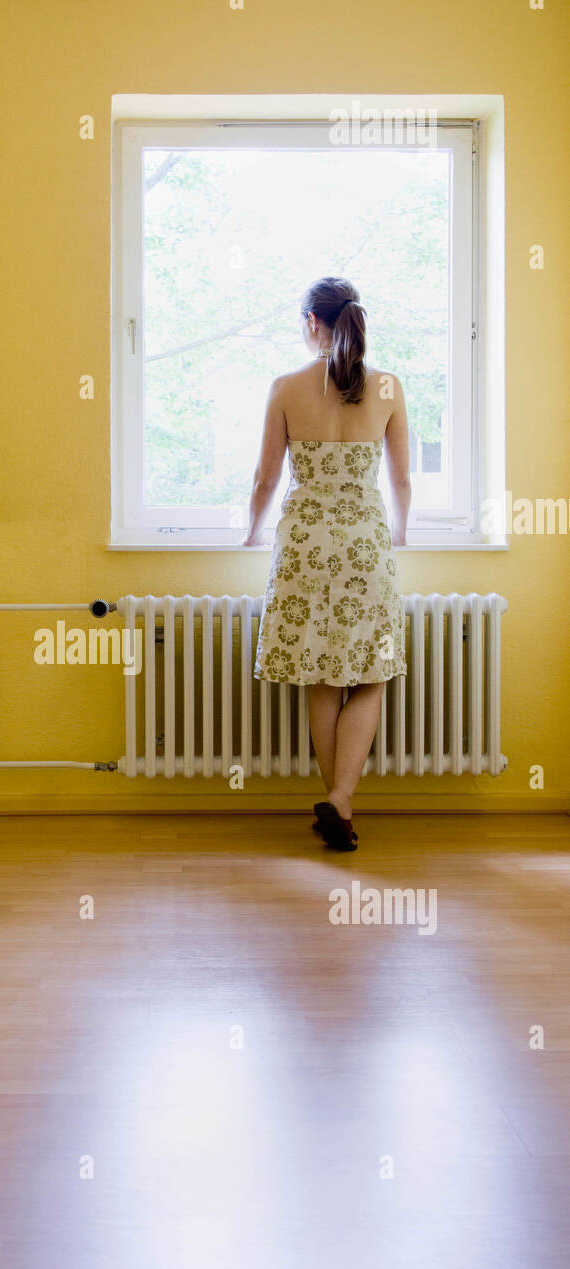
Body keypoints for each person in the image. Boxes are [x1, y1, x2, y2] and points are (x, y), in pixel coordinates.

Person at [243, 277, 411, 851]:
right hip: (364, 544)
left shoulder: (286, 387)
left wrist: (249, 532)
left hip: (306, 547)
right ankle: (340, 800)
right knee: (369, 675)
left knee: (322, 675)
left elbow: (266, 478)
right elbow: (402, 477)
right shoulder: (387, 386)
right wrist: (403, 532)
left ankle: (336, 805)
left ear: (312, 321)